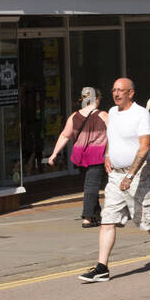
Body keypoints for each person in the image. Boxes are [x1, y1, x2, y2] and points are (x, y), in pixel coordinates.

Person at [78, 78, 150, 282]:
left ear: (131, 93)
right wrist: (107, 155)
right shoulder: (112, 113)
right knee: (108, 218)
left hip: (138, 175)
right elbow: (113, 137)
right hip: (115, 175)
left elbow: (144, 147)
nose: (116, 94)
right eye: (113, 90)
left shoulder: (140, 114)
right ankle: (102, 267)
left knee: (147, 220)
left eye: (121, 90)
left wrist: (130, 175)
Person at [49, 86, 110, 228]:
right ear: (96, 99)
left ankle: (96, 214)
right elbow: (114, 134)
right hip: (97, 154)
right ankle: (87, 217)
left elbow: (65, 135)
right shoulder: (103, 115)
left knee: (89, 183)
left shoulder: (74, 116)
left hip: (80, 155)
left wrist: (54, 154)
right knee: (92, 186)